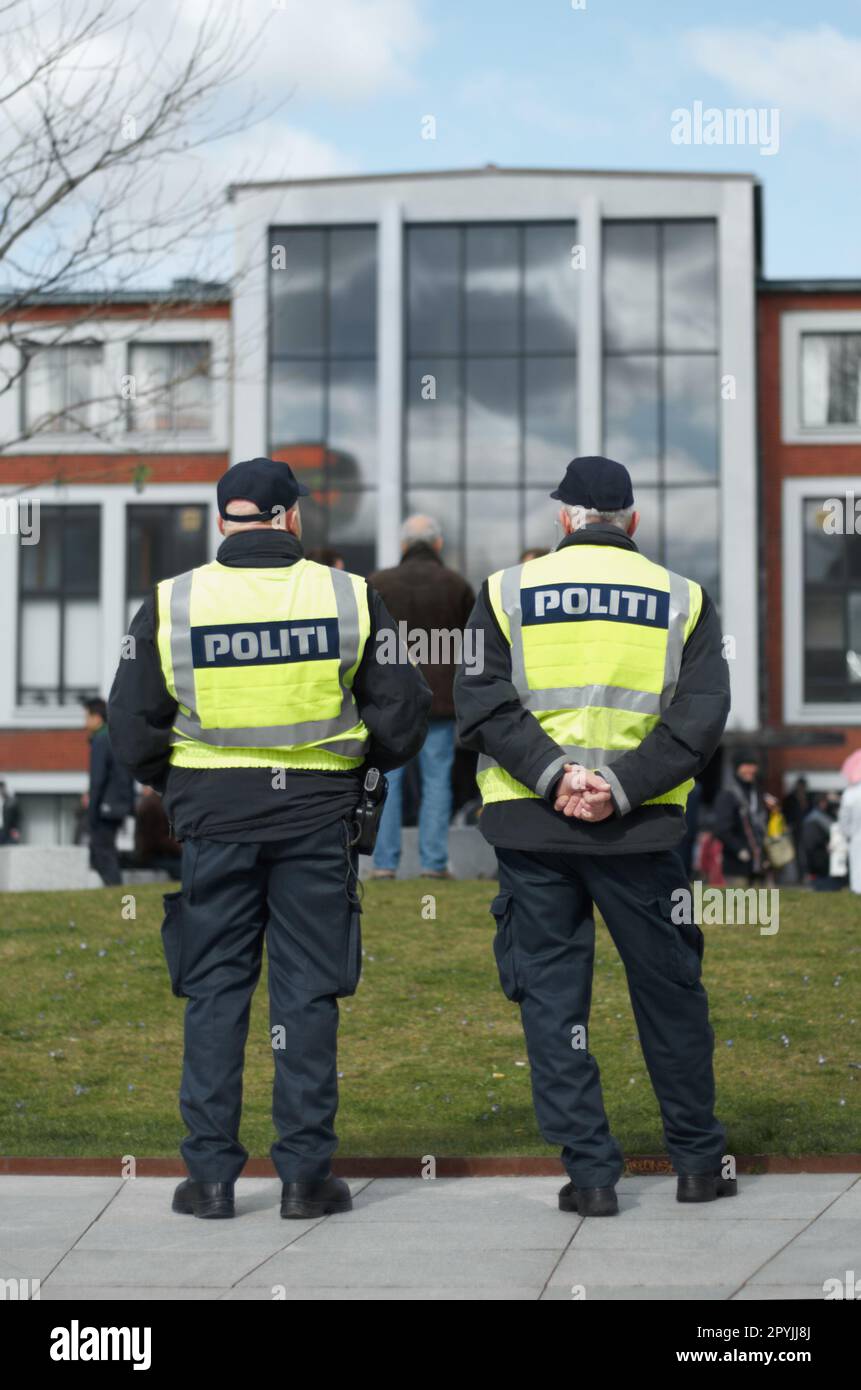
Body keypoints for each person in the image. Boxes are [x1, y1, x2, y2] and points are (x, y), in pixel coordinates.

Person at [108, 457, 430, 1221]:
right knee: (307, 994)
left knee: (214, 992)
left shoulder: (173, 601)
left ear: (224, 521)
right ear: (291, 519)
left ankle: (211, 1180)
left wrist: (184, 780)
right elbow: (403, 713)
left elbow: (130, 727)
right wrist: (358, 761)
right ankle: (304, 1178)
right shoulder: (349, 595)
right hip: (317, 820)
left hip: (214, 821)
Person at [454, 455, 733, 1215]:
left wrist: (554, 776)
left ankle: (592, 1176)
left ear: (563, 518)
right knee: (669, 994)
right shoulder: (683, 598)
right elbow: (700, 717)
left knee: (551, 1001)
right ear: (631, 522)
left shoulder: (505, 590)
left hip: (531, 826)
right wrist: (618, 787)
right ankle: (699, 1165)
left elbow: (479, 702)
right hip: (640, 834)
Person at [368, 515, 475, 879]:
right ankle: (432, 864)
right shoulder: (456, 585)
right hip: (440, 703)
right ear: (438, 544)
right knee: (437, 780)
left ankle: (384, 864)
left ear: (403, 545)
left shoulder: (378, 584)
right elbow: (472, 647)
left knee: (390, 781)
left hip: (392, 701)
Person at [84, 697, 134, 885]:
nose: (85, 723)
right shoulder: (115, 737)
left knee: (103, 851)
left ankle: (116, 895)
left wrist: (92, 810)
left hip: (105, 807)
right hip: (117, 805)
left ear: (97, 718)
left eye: (87, 717)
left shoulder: (101, 740)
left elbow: (97, 779)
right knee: (106, 850)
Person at [713, 753, 775, 886]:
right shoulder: (727, 795)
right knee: (738, 904)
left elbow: (761, 823)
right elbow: (721, 829)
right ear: (737, 768)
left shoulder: (758, 793)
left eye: (753, 765)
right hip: (737, 865)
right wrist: (740, 849)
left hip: (760, 862)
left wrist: (771, 810)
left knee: (764, 905)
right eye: (745, 765)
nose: (750, 769)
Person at [801, 793, 845, 892]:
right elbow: (833, 827)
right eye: (825, 802)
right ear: (821, 803)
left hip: (812, 851)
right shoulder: (818, 816)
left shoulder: (810, 816)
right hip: (819, 850)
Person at [782, 775, 809, 877]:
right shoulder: (790, 798)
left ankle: (803, 873)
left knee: (804, 852)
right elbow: (786, 812)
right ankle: (797, 875)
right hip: (794, 828)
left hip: (805, 829)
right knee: (795, 852)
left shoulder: (807, 797)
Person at [838, 776, 861, 893]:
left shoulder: (850, 794)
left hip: (856, 839)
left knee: (857, 871)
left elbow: (843, 819)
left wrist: (849, 834)